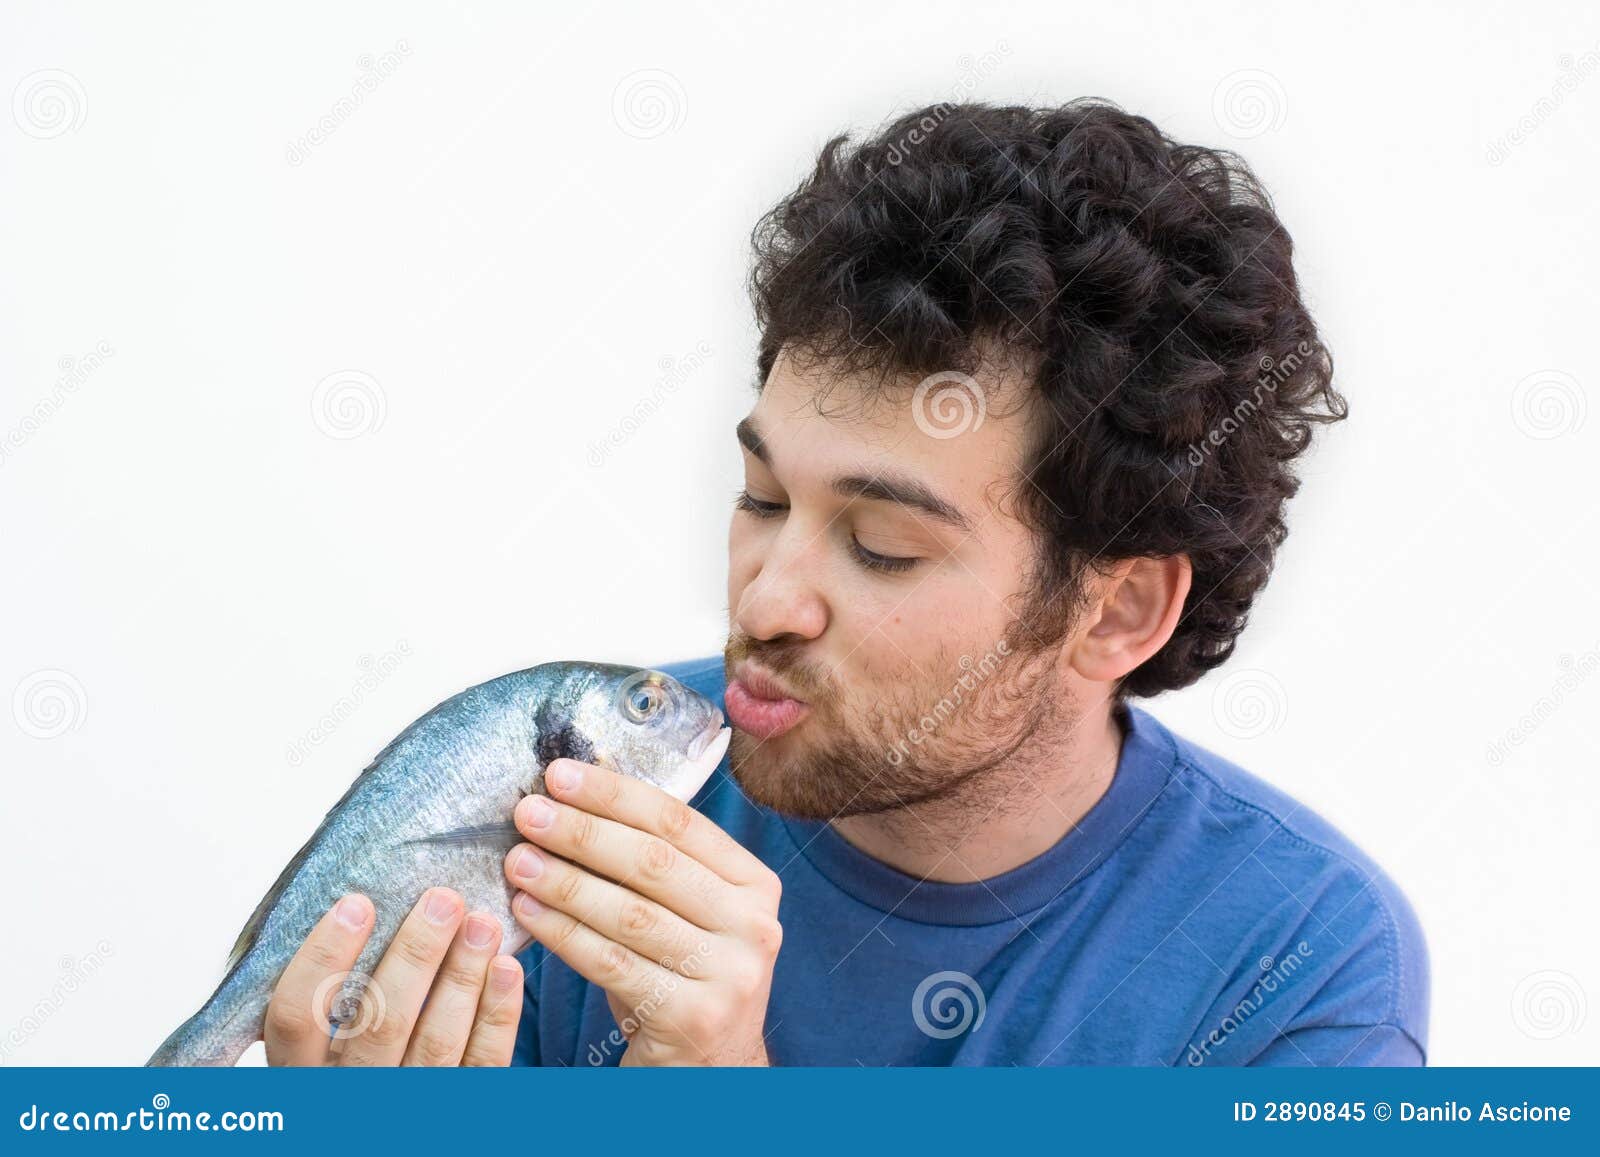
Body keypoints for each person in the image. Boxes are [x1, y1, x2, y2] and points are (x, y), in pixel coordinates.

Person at [261, 99, 1427, 1067]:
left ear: (1114, 611)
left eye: (881, 545)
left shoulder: (1293, 962)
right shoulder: (588, 793)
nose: (765, 602)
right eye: (763, 498)